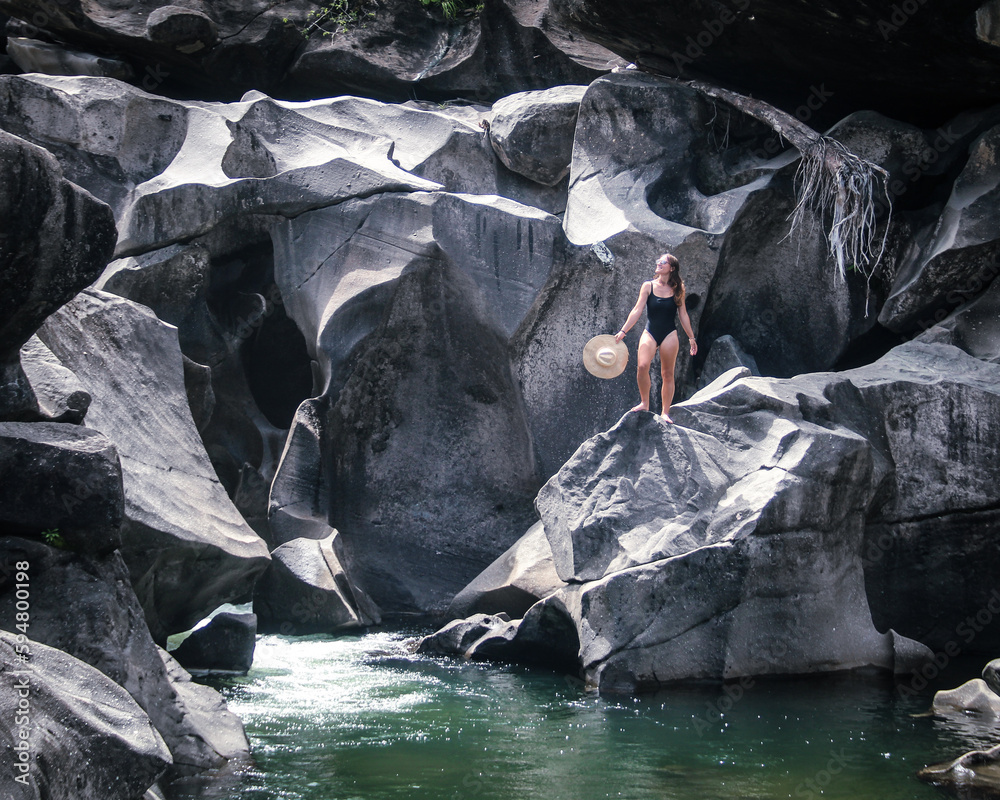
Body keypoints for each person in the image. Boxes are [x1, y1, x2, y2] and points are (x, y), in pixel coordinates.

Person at [614, 253, 697, 423]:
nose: (658, 263)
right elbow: (637, 310)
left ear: (671, 268)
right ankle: (645, 402)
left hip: (669, 334)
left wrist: (691, 338)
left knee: (667, 373)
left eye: (663, 262)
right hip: (650, 332)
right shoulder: (648, 286)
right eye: (658, 261)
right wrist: (623, 331)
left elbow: (683, 315)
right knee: (642, 366)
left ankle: (665, 412)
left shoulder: (678, 288)